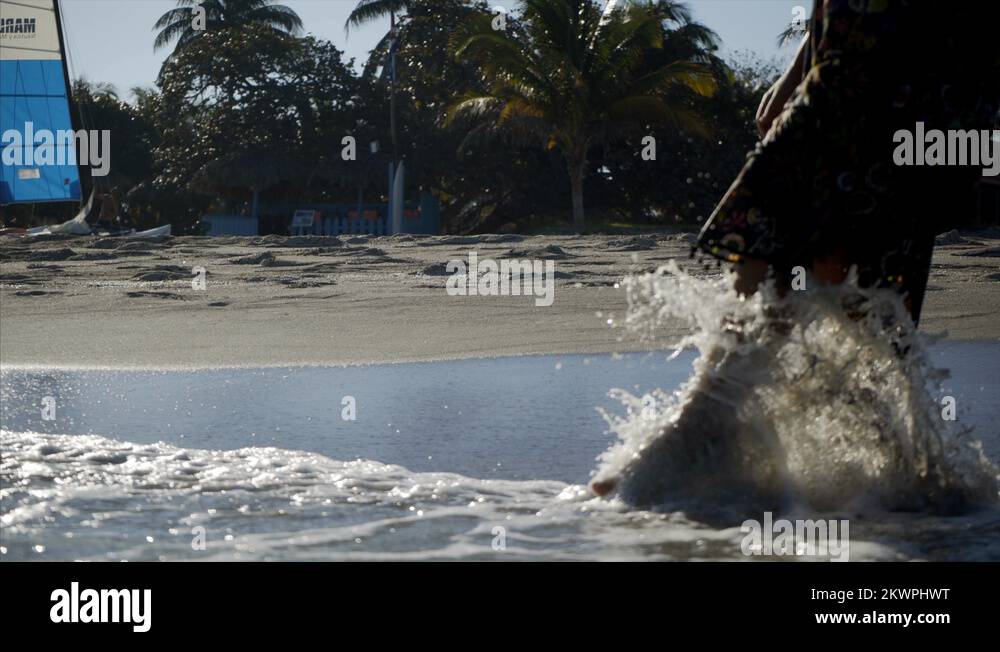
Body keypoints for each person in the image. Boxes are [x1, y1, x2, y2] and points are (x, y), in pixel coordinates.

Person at [591, 1, 1000, 498]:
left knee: (843, 245)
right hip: (860, 40)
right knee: (852, 250)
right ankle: (900, 475)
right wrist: (801, 61)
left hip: (917, 49)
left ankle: (704, 425)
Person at [697, 0, 1000, 325]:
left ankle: (736, 364)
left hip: (888, 69)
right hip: (897, 68)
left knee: (784, 279)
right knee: (872, 299)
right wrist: (801, 65)